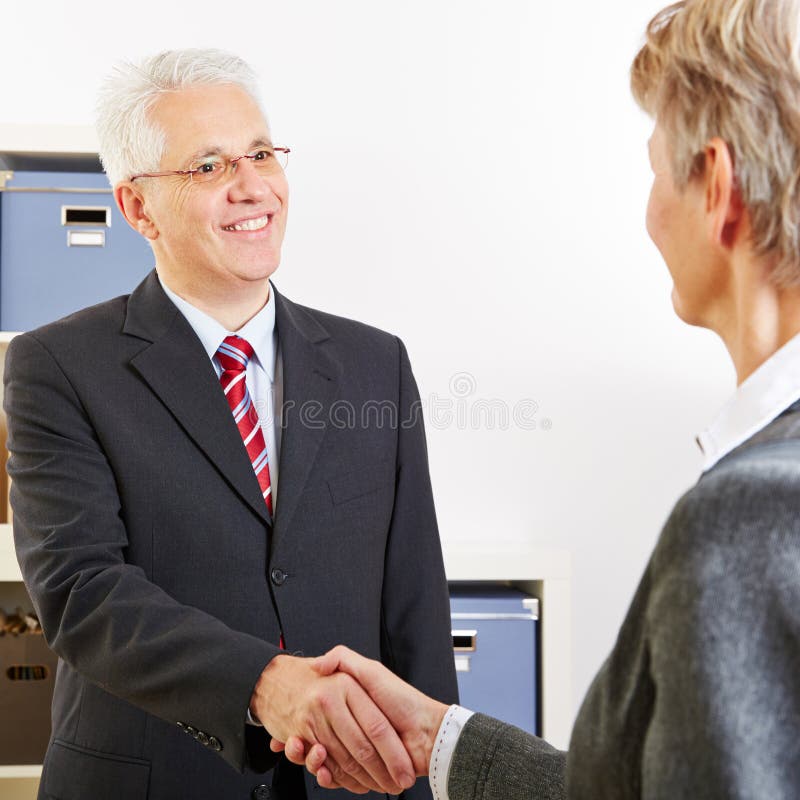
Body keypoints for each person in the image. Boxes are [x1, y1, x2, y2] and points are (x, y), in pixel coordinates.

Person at [275, 0, 800, 797]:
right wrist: (439, 739)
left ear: (718, 190)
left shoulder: (744, 520)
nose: (650, 214)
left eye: (658, 172)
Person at [3, 49, 457, 800]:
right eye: (209, 166)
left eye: (262, 154)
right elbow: (82, 593)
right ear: (138, 208)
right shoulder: (58, 365)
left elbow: (413, 599)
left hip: (348, 786)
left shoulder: (375, 362)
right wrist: (262, 683)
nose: (252, 186)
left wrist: (432, 774)